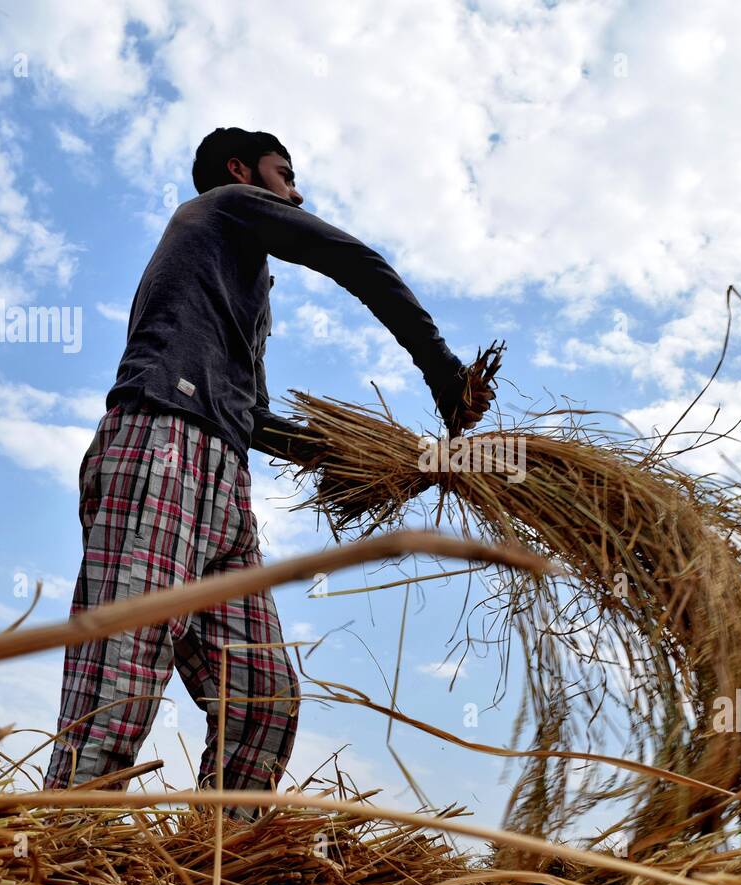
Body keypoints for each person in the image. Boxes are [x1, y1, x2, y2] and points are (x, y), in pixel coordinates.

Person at [43, 127, 493, 815]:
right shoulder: (224, 205)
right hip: (164, 441)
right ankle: (58, 858)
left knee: (264, 697)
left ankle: (220, 867)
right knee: (121, 677)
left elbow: (254, 417)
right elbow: (356, 260)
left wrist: (382, 462)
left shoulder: (240, 279)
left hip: (224, 474)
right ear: (241, 171)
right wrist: (444, 374)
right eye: (285, 174)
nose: (297, 190)